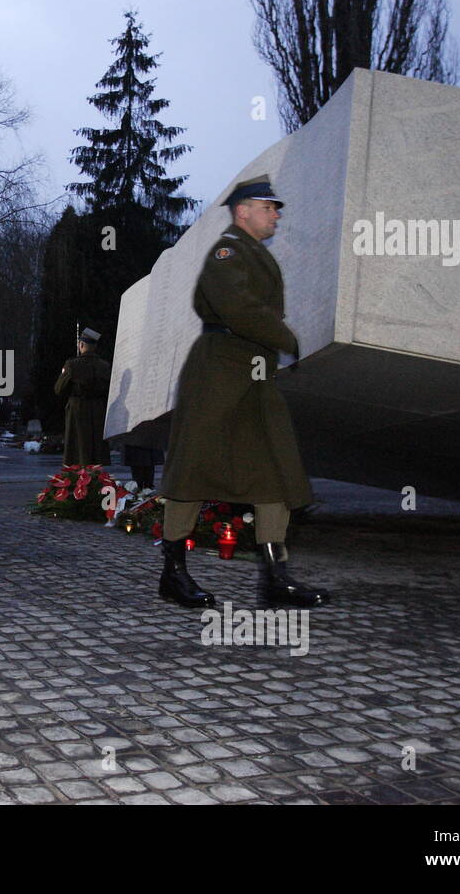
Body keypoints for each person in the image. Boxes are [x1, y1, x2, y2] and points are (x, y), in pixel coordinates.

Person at [157, 176, 329, 609]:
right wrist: (288, 338)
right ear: (242, 211)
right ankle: (173, 575)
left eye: (275, 208)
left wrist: (276, 343)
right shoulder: (227, 251)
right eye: (268, 207)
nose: (276, 214)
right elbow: (238, 308)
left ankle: (275, 578)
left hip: (252, 372)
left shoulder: (251, 252)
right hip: (219, 371)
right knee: (192, 473)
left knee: (276, 471)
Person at [55, 327, 112, 467]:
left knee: (77, 449)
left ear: (81, 345)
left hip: (78, 410)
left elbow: (59, 389)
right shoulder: (104, 366)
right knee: (96, 449)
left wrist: (64, 373)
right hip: (98, 410)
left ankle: (78, 482)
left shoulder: (72, 365)